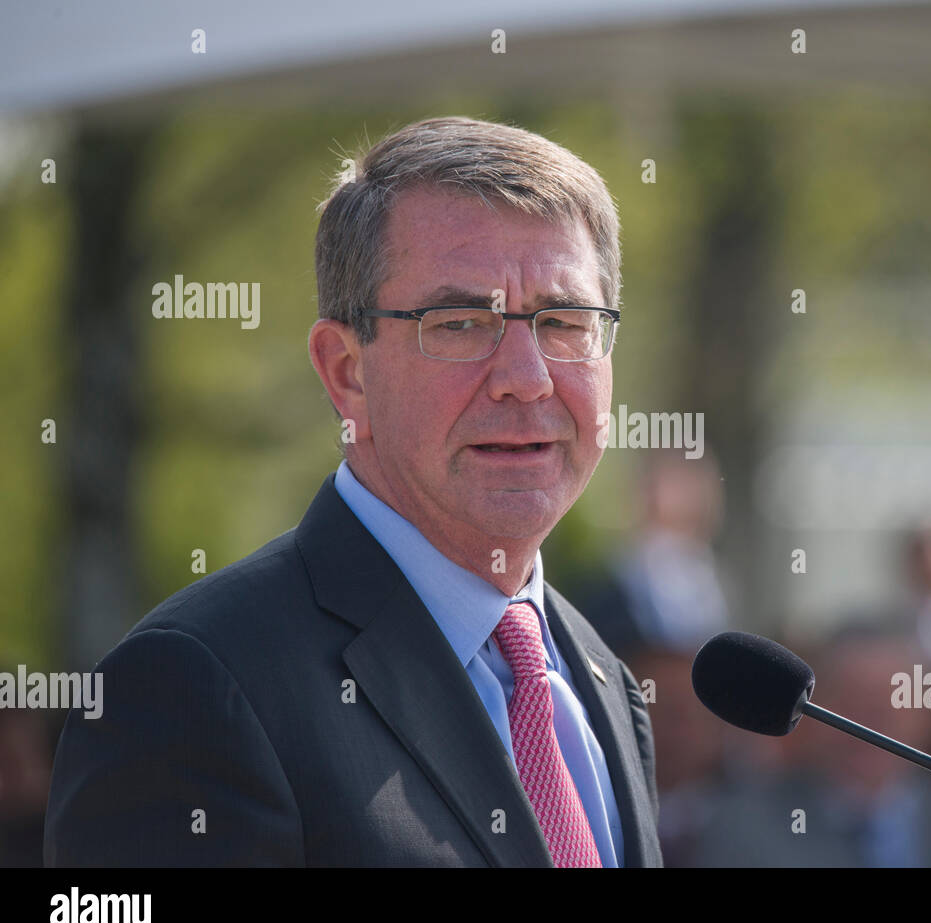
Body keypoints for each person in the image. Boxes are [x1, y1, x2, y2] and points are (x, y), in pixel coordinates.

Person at [44, 116, 662, 867]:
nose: (526, 377)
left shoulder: (598, 680)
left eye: (565, 322)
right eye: (462, 322)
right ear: (345, 370)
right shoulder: (192, 690)